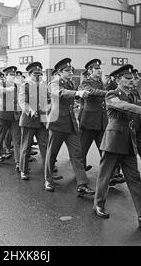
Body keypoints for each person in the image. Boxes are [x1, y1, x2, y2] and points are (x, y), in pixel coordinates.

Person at [93, 64, 141, 228]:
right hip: (113, 141)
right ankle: (98, 204)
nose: (132, 81)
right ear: (118, 80)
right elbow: (122, 105)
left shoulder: (131, 94)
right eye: (127, 78)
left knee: (135, 179)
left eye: (132, 78)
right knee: (105, 175)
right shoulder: (112, 94)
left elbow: (132, 101)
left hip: (128, 143)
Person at [44, 58, 95, 196]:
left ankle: (82, 184)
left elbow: (70, 99)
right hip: (57, 122)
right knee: (52, 153)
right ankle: (48, 180)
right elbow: (60, 93)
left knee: (77, 154)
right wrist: (77, 93)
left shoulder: (71, 83)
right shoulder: (54, 82)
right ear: (60, 72)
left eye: (71, 70)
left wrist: (78, 98)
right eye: (67, 70)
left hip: (71, 123)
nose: (70, 72)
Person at [19, 61, 49, 180]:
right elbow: (22, 101)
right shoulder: (25, 85)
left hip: (41, 120)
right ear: (30, 74)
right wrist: (30, 110)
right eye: (36, 74)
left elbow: (47, 100)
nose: (38, 76)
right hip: (29, 120)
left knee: (45, 146)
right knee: (26, 147)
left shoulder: (43, 86)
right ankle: (24, 170)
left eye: (40, 74)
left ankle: (49, 171)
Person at [77, 59, 108, 173]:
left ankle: (112, 175)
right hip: (88, 121)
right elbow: (91, 91)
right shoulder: (85, 82)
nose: (100, 71)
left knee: (104, 149)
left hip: (101, 121)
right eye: (97, 69)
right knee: (82, 149)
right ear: (90, 70)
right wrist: (107, 93)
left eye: (100, 68)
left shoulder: (101, 82)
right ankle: (80, 172)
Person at [0, 66, 22, 169]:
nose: (13, 77)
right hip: (3, 114)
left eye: (14, 75)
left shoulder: (18, 85)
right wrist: (8, 89)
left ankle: (18, 162)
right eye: (11, 75)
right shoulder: (1, 83)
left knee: (17, 139)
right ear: (6, 76)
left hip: (14, 115)